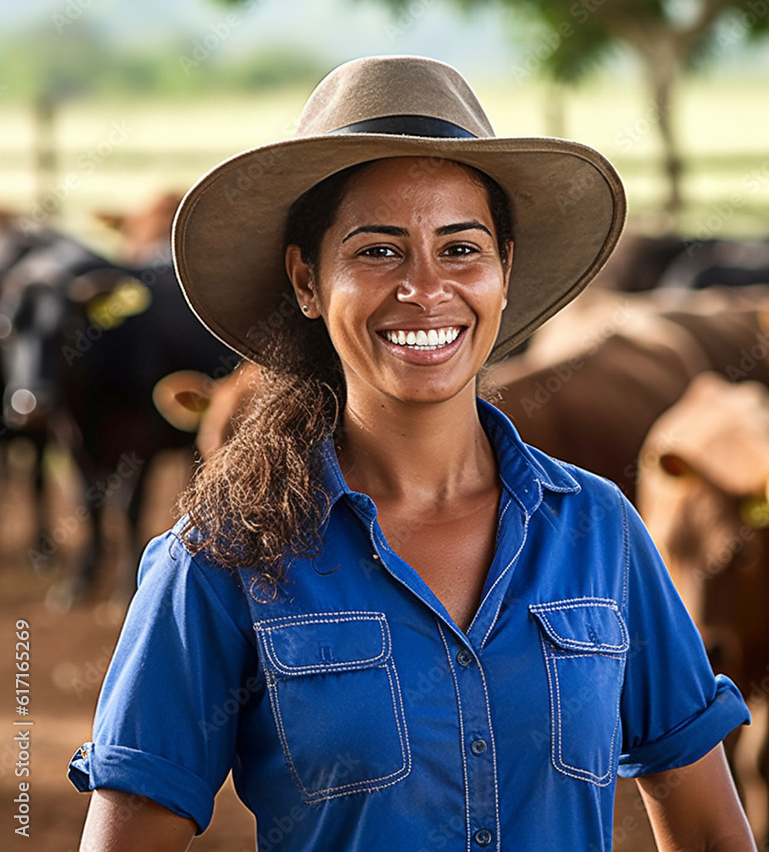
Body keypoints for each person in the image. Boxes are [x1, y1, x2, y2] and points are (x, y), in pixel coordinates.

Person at [69, 55, 756, 852]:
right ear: (306, 280)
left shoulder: (600, 530)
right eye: (377, 250)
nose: (424, 288)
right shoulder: (222, 558)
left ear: (504, 272)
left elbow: (709, 833)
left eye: (460, 248)